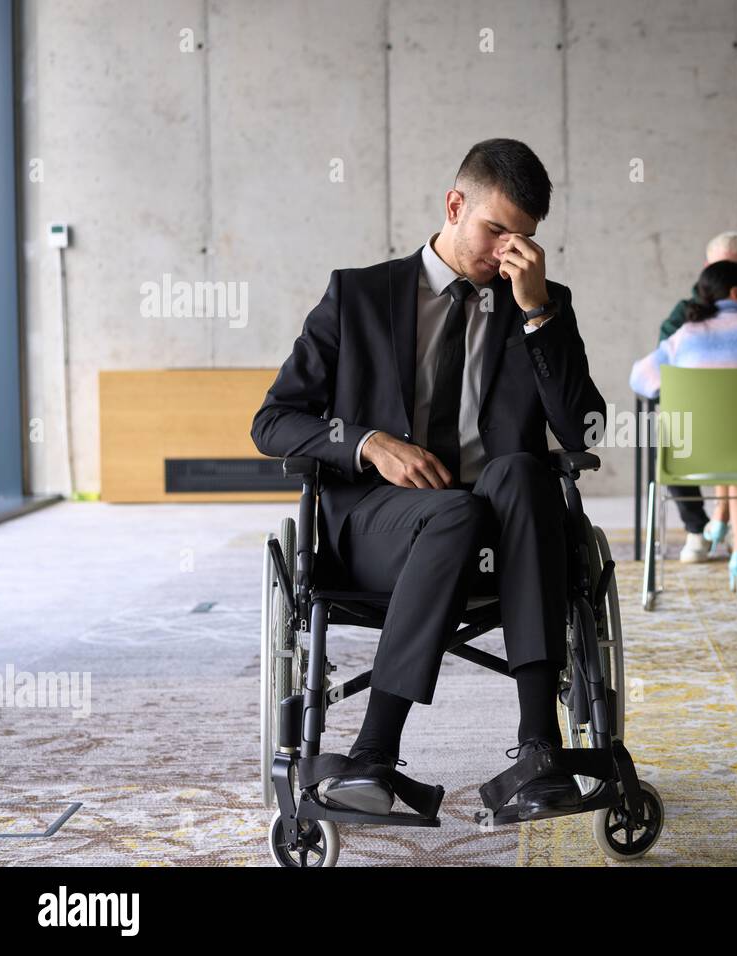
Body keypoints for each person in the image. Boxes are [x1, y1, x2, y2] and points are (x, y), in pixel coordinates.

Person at [251, 138, 606, 820]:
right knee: (454, 513)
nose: (507, 251)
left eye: (524, 239)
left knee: (525, 473)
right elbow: (273, 421)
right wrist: (366, 443)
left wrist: (537, 317)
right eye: (495, 230)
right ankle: (372, 754)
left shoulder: (541, 303)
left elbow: (584, 432)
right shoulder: (359, 295)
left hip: (507, 533)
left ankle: (540, 749)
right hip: (383, 527)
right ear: (454, 205)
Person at [631, 260, 737, 593]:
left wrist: (678, 392)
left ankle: (720, 520)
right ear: (736, 293)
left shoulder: (685, 333)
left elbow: (640, 377)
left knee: (722, 438)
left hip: (692, 453)